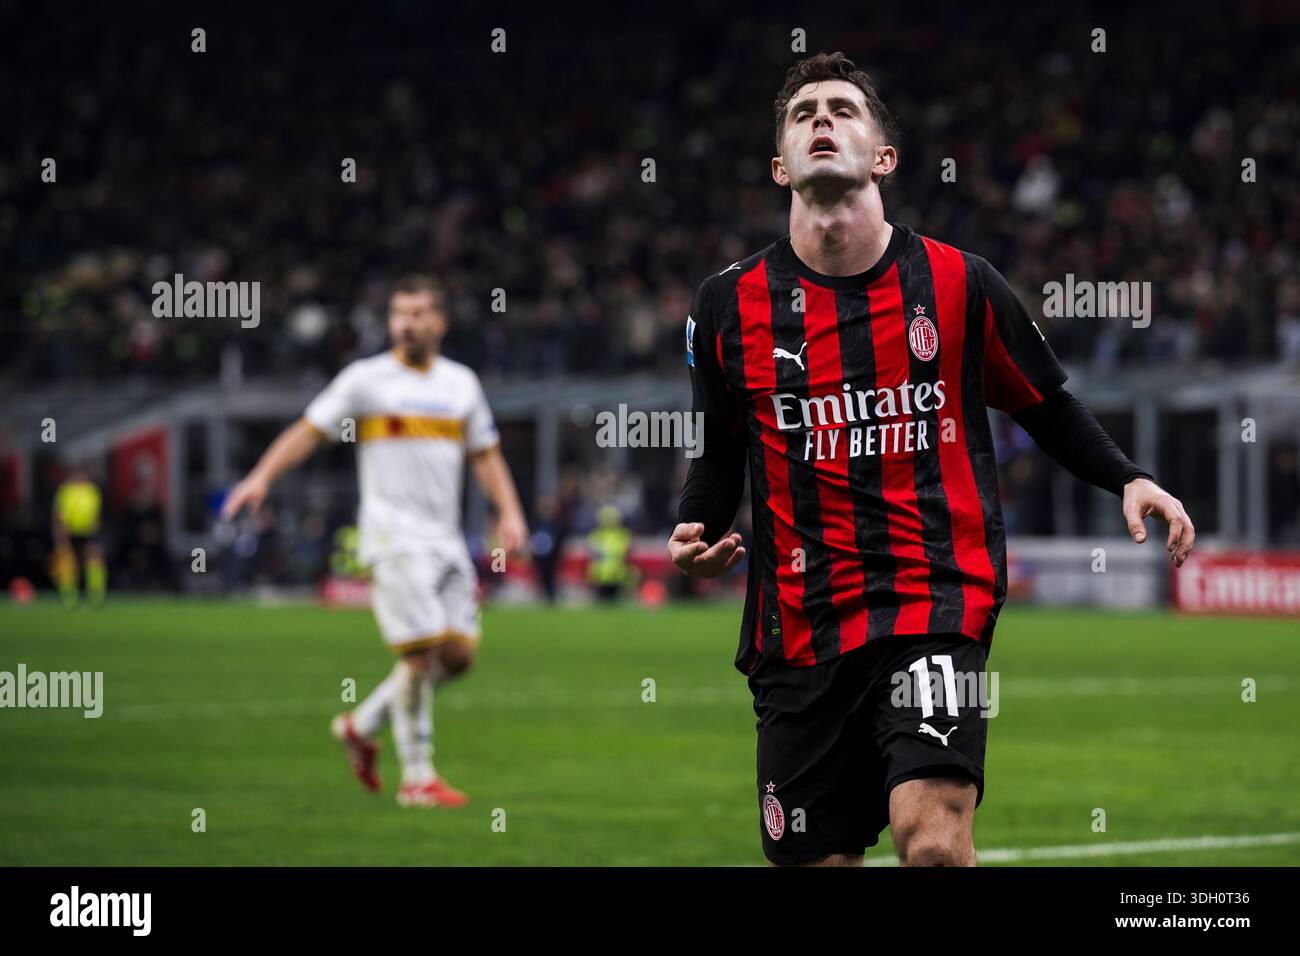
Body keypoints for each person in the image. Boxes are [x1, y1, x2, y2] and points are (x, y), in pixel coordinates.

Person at [668, 52, 1196, 866]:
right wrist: (695, 533)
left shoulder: (959, 283)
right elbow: (719, 449)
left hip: (934, 602)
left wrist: (1127, 476)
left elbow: (1044, 404)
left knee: (936, 846)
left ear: (884, 156)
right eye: (804, 111)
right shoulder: (727, 305)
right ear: (780, 167)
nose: (821, 119)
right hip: (799, 628)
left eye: (843, 109)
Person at [222, 275, 528, 808]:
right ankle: (418, 779)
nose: (405, 323)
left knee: (456, 657)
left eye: (417, 313)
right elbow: (309, 430)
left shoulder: (461, 384)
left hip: (446, 539)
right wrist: (261, 476)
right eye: (397, 314)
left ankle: (361, 726)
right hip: (393, 537)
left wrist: (510, 513)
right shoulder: (366, 380)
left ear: (440, 322)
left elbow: (486, 454)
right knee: (421, 654)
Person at [51, 464, 106, 607]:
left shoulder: (92, 491)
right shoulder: (65, 491)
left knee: (94, 559)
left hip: (88, 531)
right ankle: (69, 595)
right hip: (70, 531)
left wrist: (96, 529)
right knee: (69, 562)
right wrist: (60, 533)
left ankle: (95, 593)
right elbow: (58, 514)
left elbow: (96, 513)